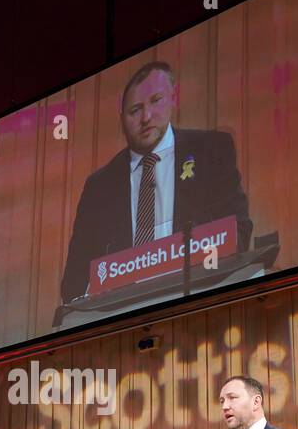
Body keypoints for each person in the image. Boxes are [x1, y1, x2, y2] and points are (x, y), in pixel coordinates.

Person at [59, 60, 253, 306]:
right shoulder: (99, 186)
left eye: (156, 101)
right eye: (135, 110)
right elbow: (73, 283)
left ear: (174, 97)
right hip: (121, 322)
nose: (146, 117)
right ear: (121, 119)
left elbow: (239, 231)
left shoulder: (211, 150)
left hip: (200, 307)